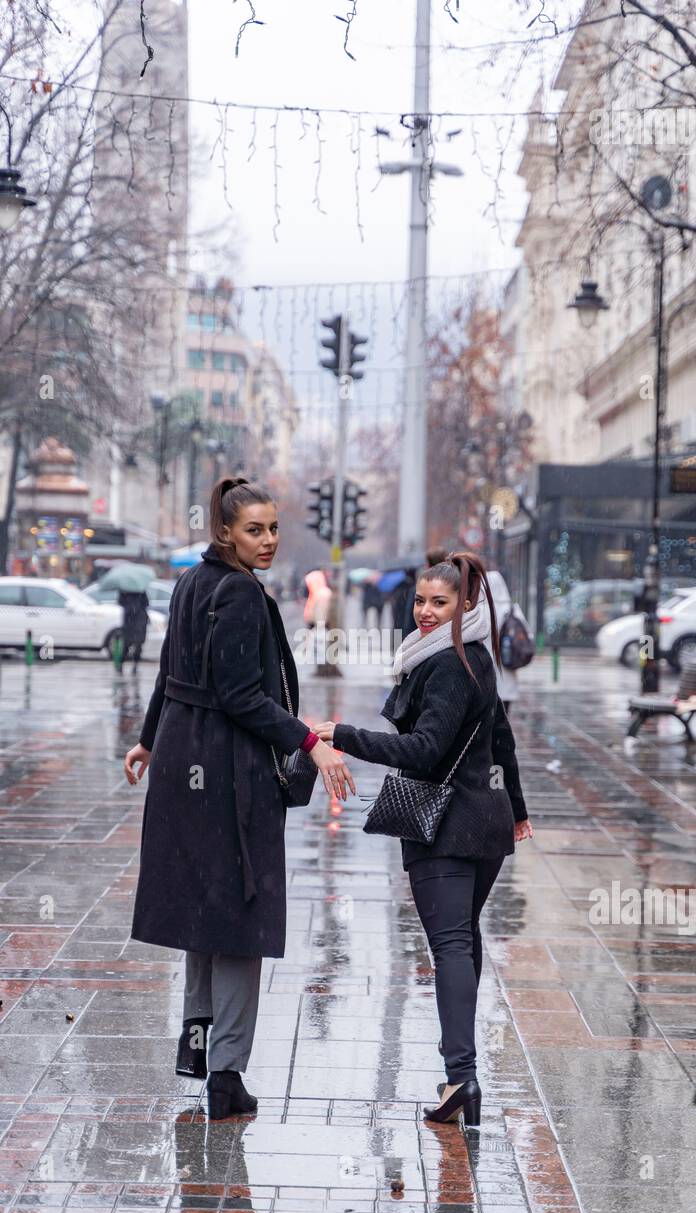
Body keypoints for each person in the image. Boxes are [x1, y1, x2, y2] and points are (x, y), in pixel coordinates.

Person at [124, 476, 356, 1120]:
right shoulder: (241, 595)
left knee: (203, 912)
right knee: (240, 919)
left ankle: (199, 1049)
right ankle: (225, 1074)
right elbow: (241, 696)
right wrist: (311, 741)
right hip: (226, 770)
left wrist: (148, 741)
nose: (269, 541)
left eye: (274, 529)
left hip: (181, 759)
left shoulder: (192, 583)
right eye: (255, 530)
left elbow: (171, 670)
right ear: (224, 532)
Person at [314, 551, 531, 1127]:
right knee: (463, 941)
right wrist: (519, 810)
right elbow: (500, 734)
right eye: (420, 601)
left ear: (467, 605)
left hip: (447, 826)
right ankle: (460, 1074)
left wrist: (343, 734)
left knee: (452, 945)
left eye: (441, 602)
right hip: (486, 822)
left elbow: (424, 752)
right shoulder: (478, 657)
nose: (427, 613)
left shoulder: (445, 665)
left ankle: (461, 1076)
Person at [487, 570, 534, 714]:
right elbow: (528, 636)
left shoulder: (480, 610)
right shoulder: (512, 610)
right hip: (507, 673)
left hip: (485, 677)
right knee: (504, 720)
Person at [399, 547, 448, 640]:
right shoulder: (453, 587)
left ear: (427, 565)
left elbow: (408, 622)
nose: (425, 612)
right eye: (420, 601)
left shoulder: (418, 588)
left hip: (421, 640)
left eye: (439, 603)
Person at [118, 589, 149, 670]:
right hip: (133, 620)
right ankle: (125, 664)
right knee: (128, 644)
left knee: (135, 644)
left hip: (136, 620)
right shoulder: (125, 591)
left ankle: (133, 664)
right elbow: (146, 603)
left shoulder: (140, 590)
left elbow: (146, 603)